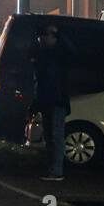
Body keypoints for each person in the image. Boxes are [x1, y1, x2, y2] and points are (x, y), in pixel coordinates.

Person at [31, 22, 72, 181]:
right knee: (50, 136)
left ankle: (56, 171)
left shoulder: (59, 55)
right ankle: (53, 170)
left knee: (55, 136)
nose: (40, 39)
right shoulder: (46, 55)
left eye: (43, 36)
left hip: (56, 101)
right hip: (50, 100)